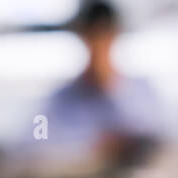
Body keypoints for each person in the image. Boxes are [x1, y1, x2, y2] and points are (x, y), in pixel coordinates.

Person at [42, 1, 165, 162]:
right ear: (82, 37)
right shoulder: (62, 100)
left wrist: (111, 89)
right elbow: (38, 148)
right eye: (93, 36)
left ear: (116, 35)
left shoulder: (143, 91)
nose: (99, 45)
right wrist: (92, 146)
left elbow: (160, 141)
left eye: (104, 35)